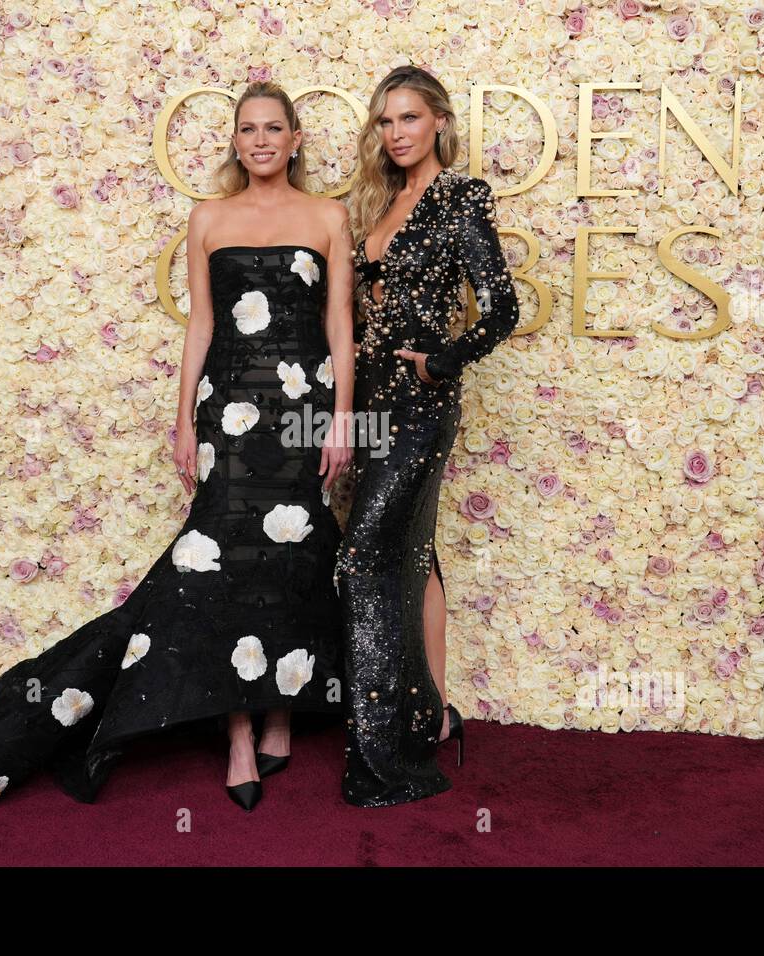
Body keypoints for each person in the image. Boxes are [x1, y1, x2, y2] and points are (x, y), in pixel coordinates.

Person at [0, 81, 355, 814]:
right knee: (219, 563)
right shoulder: (208, 218)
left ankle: (282, 709)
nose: (259, 140)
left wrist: (343, 418)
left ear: (295, 140)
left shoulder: (327, 217)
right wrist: (184, 419)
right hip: (228, 409)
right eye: (247, 129)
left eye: (273, 129)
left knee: (294, 555)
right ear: (235, 140)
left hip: (302, 412)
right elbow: (200, 325)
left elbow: (341, 323)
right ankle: (241, 734)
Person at [335, 65, 521, 807]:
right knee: (413, 552)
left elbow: (501, 306)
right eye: (385, 122)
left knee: (362, 558)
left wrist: (443, 359)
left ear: (439, 121)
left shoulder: (457, 197)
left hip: (418, 405)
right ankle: (433, 712)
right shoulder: (378, 200)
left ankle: (387, 751)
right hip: (369, 405)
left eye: (409, 118)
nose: (396, 133)